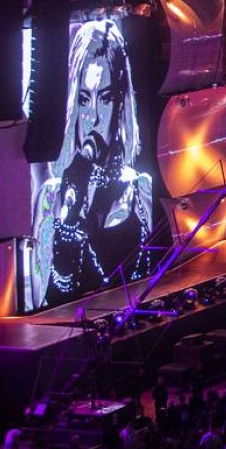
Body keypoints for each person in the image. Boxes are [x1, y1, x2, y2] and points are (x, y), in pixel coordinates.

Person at [29, 20, 153, 310]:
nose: (94, 116)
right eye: (85, 99)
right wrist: (70, 214)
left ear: (121, 102)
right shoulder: (52, 197)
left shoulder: (141, 188)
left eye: (106, 98)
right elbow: (39, 301)